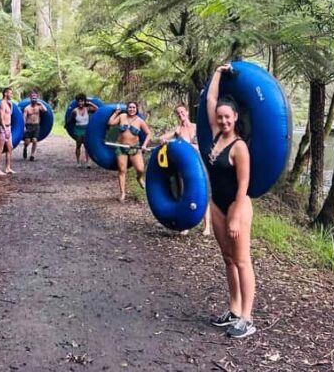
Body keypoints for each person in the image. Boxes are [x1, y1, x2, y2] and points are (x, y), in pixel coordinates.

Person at [205, 65, 256, 339]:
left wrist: (235, 215)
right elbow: (212, 100)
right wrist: (217, 73)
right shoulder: (215, 135)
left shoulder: (239, 147)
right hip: (217, 205)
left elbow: (244, 186)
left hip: (238, 206)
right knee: (227, 259)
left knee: (242, 261)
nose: (223, 121)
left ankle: (247, 318)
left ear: (235, 117)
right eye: (220, 117)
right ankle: (234, 310)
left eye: (228, 117)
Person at [159, 103, 212, 237]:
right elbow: (164, 137)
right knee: (184, 194)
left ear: (187, 112)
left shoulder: (196, 127)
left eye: (182, 112)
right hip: (185, 168)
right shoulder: (177, 130)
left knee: (204, 194)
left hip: (200, 165)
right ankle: (186, 224)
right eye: (178, 113)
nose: (181, 115)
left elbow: (207, 142)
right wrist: (164, 139)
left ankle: (207, 227)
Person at [107, 101, 152, 202]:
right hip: (121, 147)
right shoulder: (122, 116)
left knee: (140, 169)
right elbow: (110, 123)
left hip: (134, 148)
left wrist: (144, 145)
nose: (131, 109)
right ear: (127, 108)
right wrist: (116, 113)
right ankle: (123, 193)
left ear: (136, 109)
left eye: (134, 107)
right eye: (130, 107)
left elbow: (149, 133)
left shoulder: (140, 121)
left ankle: (139, 178)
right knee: (122, 170)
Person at [68, 93, 98, 168]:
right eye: (79, 101)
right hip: (78, 130)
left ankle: (88, 162)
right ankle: (78, 162)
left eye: (82, 101)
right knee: (78, 145)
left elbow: (97, 109)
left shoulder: (87, 109)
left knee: (87, 146)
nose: (80, 103)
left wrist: (90, 103)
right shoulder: (74, 111)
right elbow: (70, 120)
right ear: (77, 102)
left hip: (86, 130)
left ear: (84, 101)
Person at [0, 87, 16, 175]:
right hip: (3, 128)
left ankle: (8, 168)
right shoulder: (2, 104)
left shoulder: (8, 103)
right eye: (10, 93)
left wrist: (11, 106)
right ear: (5, 94)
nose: (11, 95)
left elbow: (9, 114)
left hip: (9, 127)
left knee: (10, 147)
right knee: (0, 149)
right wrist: (4, 129)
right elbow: (2, 118)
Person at [22, 91, 47, 161]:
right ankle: (25, 148)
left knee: (34, 140)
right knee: (27, 141)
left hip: (36, 126)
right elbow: (24, 118)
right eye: (33, 97)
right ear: (30, 98)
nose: (34, 98)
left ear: (37, 98)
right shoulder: (27, 108)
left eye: (35, 97)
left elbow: (45, 110)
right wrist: (23, 126)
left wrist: (41, 103)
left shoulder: (39, 107)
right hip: (28, 126)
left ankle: (32, 155)